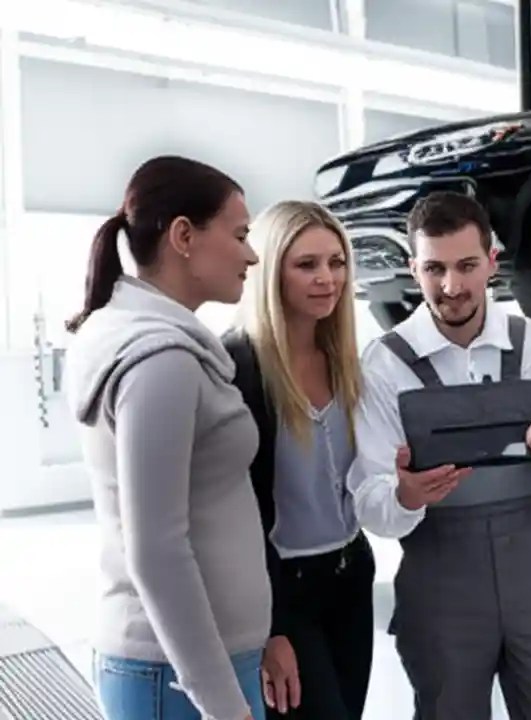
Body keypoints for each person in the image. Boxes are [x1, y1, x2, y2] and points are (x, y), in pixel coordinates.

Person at [347, 190, 531, 719]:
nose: (452, 286)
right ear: (412, 268)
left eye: (467, 265)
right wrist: (403, 494)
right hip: (439, 579)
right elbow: (371, 507)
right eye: (434, 269)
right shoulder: (382, 366)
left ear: (492, 260)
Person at [62, 155, 269, 720]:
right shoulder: (162, 362)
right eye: (240, 233)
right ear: (183, 235)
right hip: (181, 680)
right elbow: (155, 550)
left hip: (191, 671)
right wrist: (223, 703)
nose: (252, 254)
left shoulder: (154, 342)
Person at [222, 200, 374, 720]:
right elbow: (232, 513)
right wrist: (271, 625)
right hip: (284, 589)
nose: (327, 278)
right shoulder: (237, 366)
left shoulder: (349, 362)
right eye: (306, 264)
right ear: (269, 268)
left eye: (336, 262)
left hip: (352, 574)